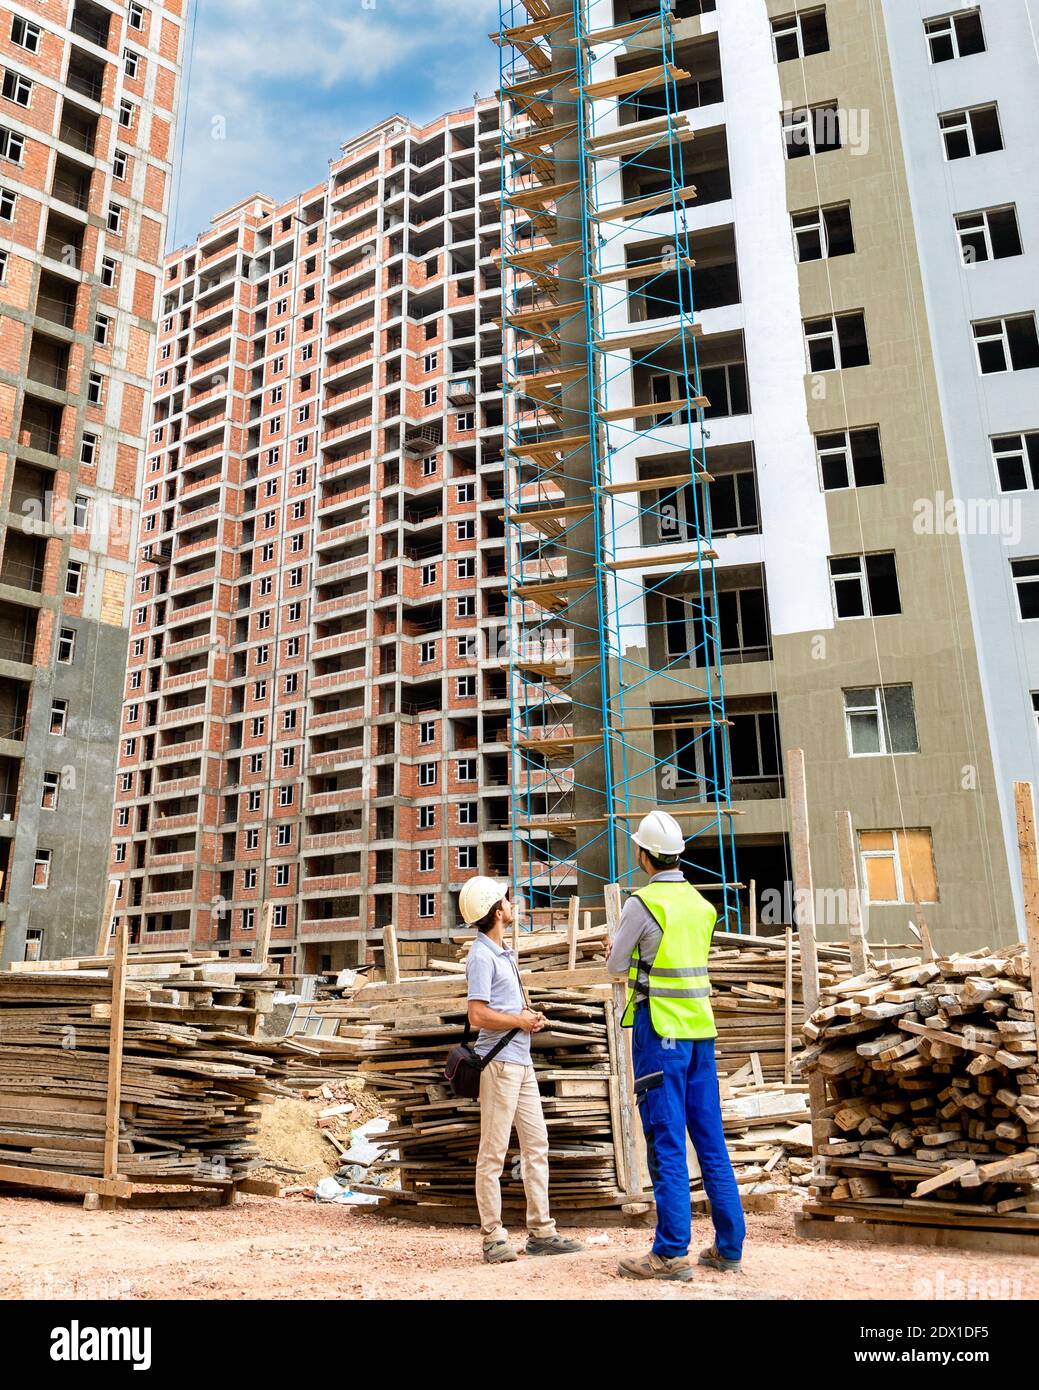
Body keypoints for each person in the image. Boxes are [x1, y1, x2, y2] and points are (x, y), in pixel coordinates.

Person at [607, 811, 745, 1281]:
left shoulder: (642, 905)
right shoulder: (702, 907)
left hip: (660, 1035)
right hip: (700, 1035)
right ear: (679, 853)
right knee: (710, 1141)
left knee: (666, 1141)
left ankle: (669, 1253)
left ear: (643, 855)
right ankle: (728, 1248)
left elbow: (614, 965)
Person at [460, 875, 585, 1265]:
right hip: (499, 1063)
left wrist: (527, 1018)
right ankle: (493, 1237)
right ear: (497, 911)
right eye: (508, 902)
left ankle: (541, 1232)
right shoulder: (481, 955)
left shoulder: (504, 952)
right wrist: (518, 1021)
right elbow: (477, 1014)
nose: (513, 906)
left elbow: (504, 1009)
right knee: (493, 1153)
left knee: (536, 1146)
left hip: (521, 1061)